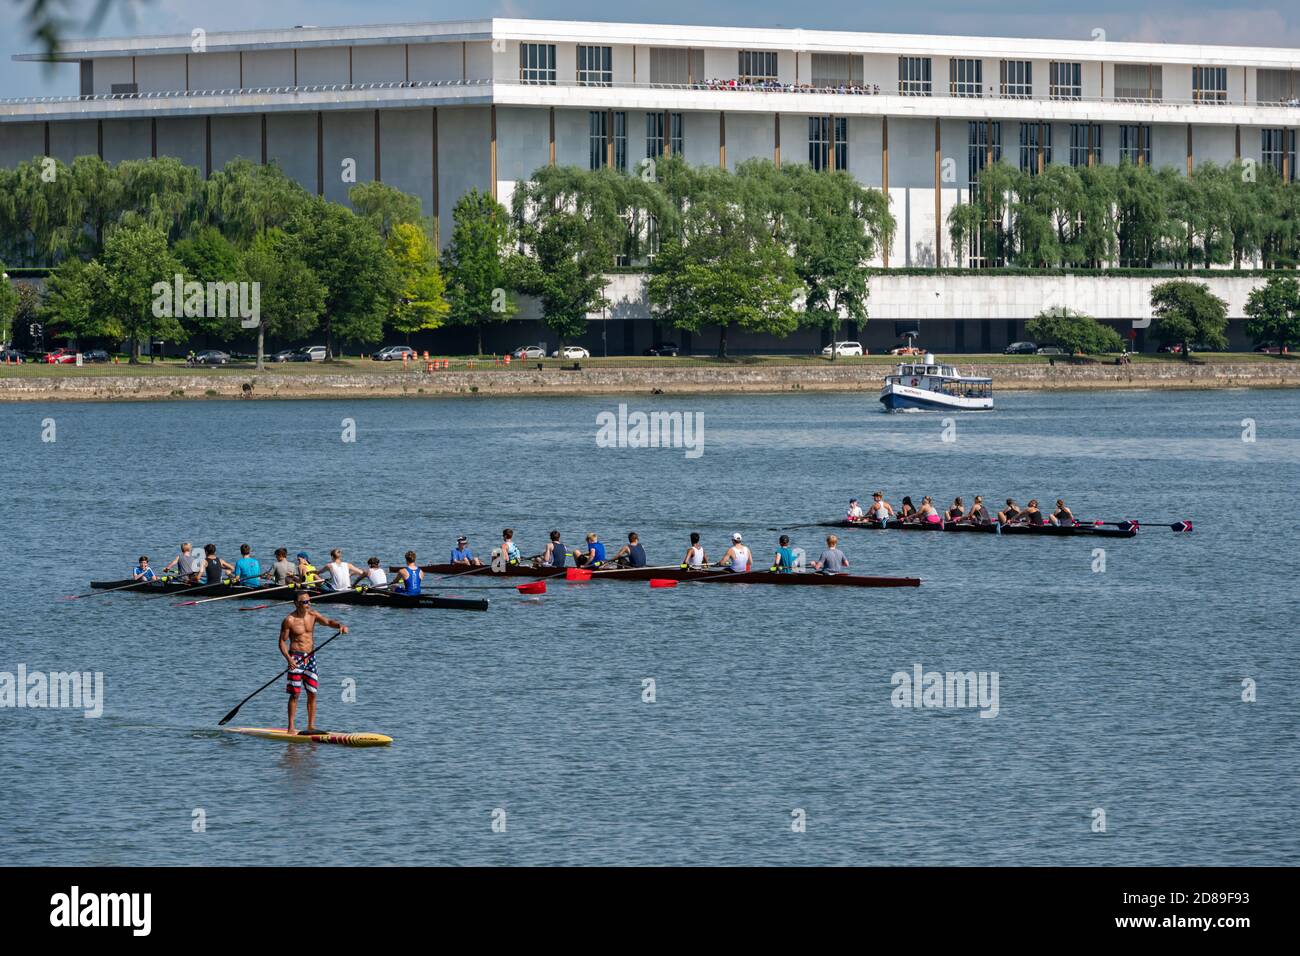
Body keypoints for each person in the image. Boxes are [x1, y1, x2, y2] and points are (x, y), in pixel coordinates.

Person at [279, 591, 347, 735]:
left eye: (309, 601)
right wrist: (289, 659)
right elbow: (281, 642)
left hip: (311, 658)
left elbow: (328, 622)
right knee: (295, 694)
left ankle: (311, 726)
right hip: (295, 658)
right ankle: (291, 727)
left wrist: (339, 625)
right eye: (304, 602)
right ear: (296, 603)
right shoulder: (289, 620)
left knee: (312, 693)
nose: (308, 604)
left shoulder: (313, 615)